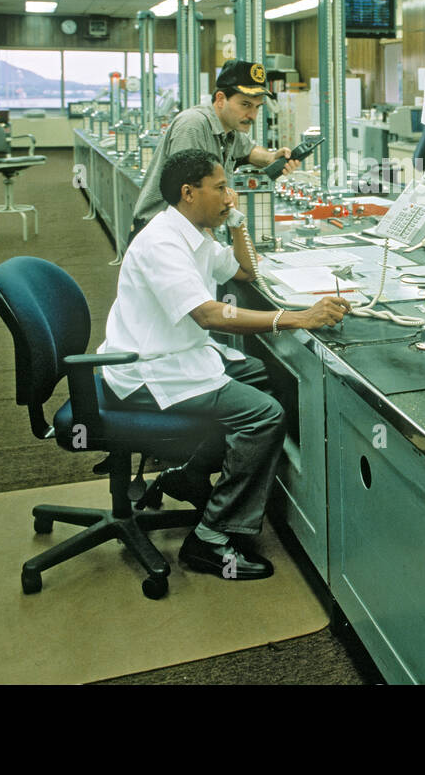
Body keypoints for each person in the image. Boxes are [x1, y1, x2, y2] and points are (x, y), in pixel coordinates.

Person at [97, 148, 350, 580]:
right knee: (264, 415)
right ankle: (211, 537)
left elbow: (245, 273)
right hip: (149, 370)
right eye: (220, 188)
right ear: (188, 193)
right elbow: (210, 315)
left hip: (178, 354)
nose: (229, 196)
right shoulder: (163, 242)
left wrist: (238, 226)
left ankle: (192, 475)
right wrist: (296, 319)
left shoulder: (195, 232)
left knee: (257, 374)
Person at [131, 59, 299, 231]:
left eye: (257, 107)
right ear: (220, 99)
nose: (252, 115)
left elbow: (249, 150)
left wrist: (272, 157)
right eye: (245, 105)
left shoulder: (231, 129)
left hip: (191, 230)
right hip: (161, 232)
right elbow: (187, 201)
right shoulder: (193, 126)